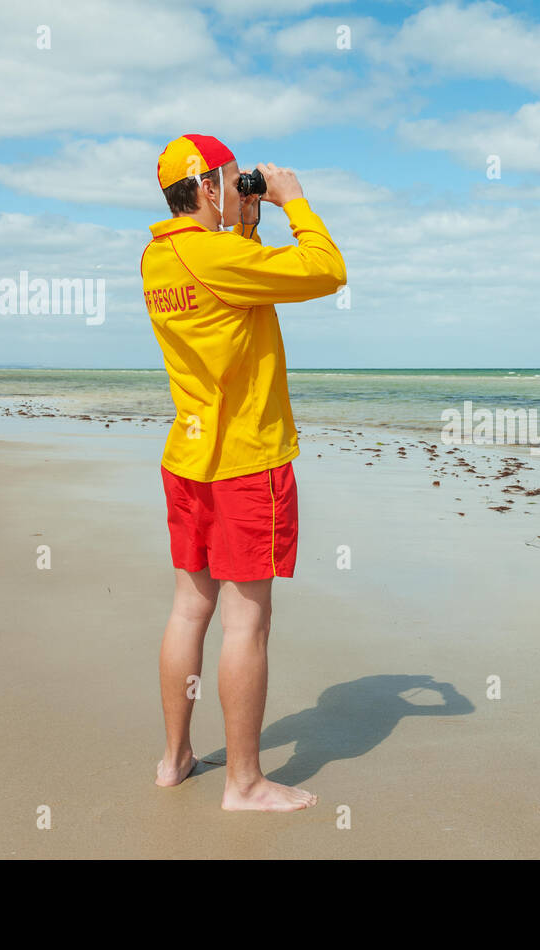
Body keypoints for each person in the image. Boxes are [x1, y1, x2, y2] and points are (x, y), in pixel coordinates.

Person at [141, 133, 345, 811]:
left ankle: (174, 759)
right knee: (244, 625)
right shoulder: (217, 255)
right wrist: (294, 202)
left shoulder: (160, 256)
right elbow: (326, 270)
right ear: (205, 188)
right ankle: (244, 783)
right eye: (232, 181)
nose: (240, 189)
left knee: (187, 609)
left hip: (188, 458)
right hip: (244, 465)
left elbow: (235, 296)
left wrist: (247, 224)